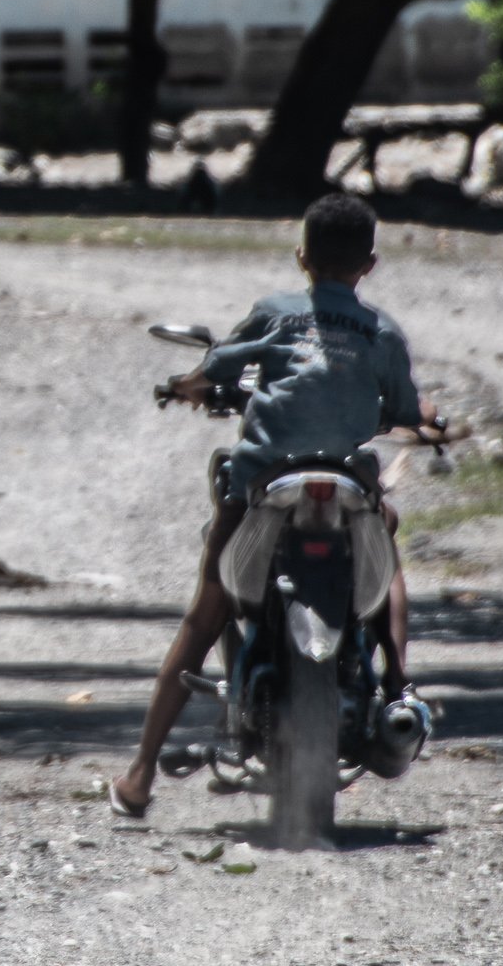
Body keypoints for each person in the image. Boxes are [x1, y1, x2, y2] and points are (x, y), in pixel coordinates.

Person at [111, 192, 440, 819]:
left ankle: (141, 773)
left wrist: (184, 386)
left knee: (207, 611)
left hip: (267, 482)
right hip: (346, 482)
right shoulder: (383, 332)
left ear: (301, 258)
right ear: (368, 265)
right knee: (387, 543)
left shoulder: (275, 313)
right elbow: (403, 407)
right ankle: (399, 684)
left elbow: (217, 369)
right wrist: (427, 417)